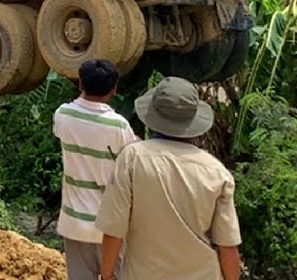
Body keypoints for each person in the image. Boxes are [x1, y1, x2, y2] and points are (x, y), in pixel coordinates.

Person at [95, 77, 242, 280]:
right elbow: (227, 247)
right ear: (193, 121)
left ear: (152, 115)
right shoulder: (216, 171)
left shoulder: (132, 158)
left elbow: (114, 229)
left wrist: (106, 275)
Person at [53, 59, 138, 280]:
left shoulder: (63, 115)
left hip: (74, 223)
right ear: (114, 90)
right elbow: (133, 156)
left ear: (80, 84)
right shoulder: (119, 126)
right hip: (110, 227)